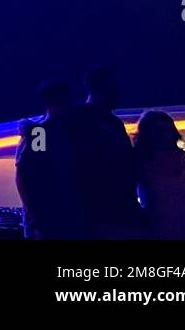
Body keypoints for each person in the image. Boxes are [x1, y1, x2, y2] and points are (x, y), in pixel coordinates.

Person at [70, 66, 141, 238]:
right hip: (91, 212)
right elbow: (40, 130)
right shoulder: (75, 116)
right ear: (94, 87)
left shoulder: (114, 122)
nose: (118, 94)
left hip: (119, 208)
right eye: (113, 88)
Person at [15, 80, 83, 239]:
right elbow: (27, 177)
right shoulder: (41, 133)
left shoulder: (46, 132)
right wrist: (35, 217)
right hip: (47, 218)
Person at [134, 111, 185, 239]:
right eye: (159, 129)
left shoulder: (182, 157)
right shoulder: (140, 161)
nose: (164, 134)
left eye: (167, 129)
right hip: (159, 229)